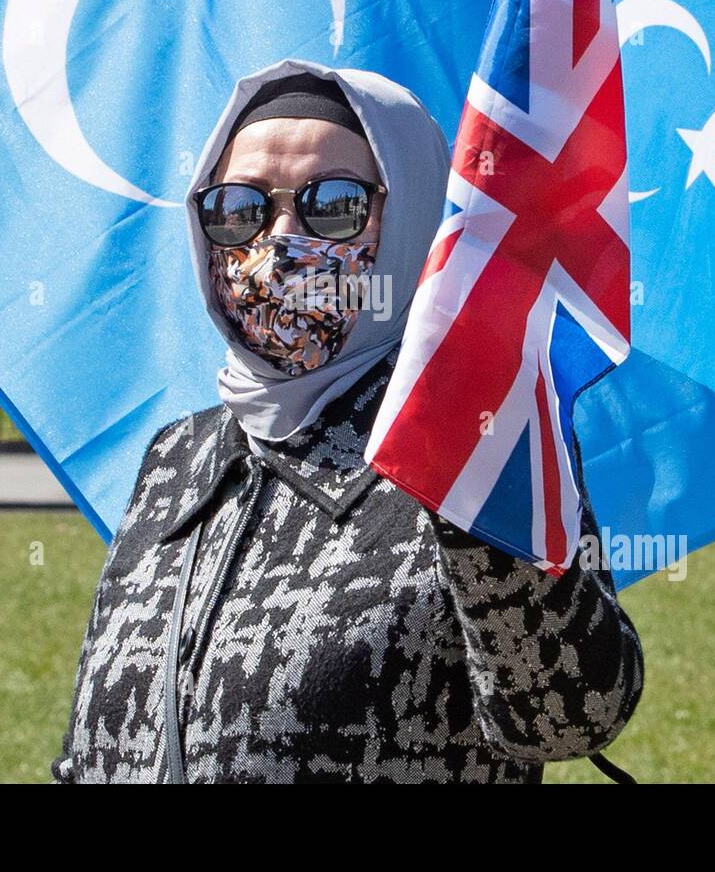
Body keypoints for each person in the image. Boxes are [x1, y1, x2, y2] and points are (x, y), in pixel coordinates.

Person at [52, 58, 644, 784]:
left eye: (331, 204)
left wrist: (463, 455)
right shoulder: (178, 457)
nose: (276, 242)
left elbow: (571, 713)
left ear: (412, 214)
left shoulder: (480, 434)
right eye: (240, 209)